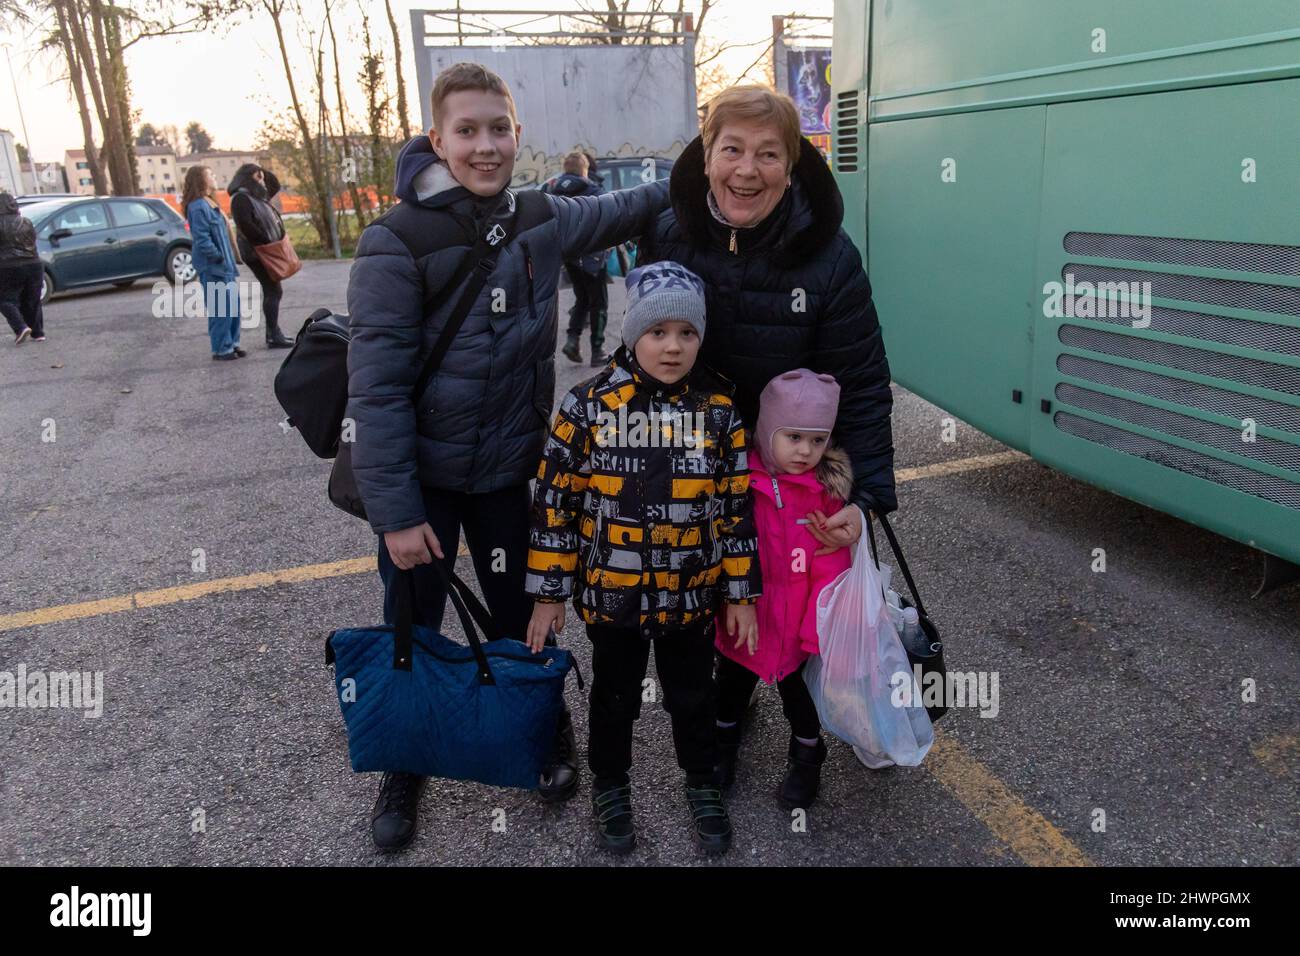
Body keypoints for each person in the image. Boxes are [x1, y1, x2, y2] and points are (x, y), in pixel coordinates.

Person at [346, 61, 670, 852]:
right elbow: (377, 390)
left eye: (498, 129)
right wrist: (395, 515)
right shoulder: (394, 240)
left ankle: (537, 722)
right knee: (413, 618)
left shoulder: (540, 217)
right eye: (467, 131)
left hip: (502, 474)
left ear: (518, 137)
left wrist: (714, 164)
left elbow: (632, 207)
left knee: (523, 610)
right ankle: (404, 758)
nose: (484, 146)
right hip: (423, 485)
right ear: (437, 139)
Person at [524, 261, 761, 856]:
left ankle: (702, 781)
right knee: (614, 695)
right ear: (633, 334)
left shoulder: (718, 411)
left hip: (690, 594)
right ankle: (611, 783)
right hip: (612, 592)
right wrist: (550, 593)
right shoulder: (587, 407)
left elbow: (734, 510)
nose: (673, 346)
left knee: (692, 695)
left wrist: (741, 595)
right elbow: (556, 504)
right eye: (658, 332)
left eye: (687, 333)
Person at [638, 84, 896, 553]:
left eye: (769, 154)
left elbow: (860, 383)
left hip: (791, 491)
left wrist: (864, 500)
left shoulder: (830, 258)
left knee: (787, 620)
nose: (747, 170)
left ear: (791, 167)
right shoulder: (666, 237)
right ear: (707, 157)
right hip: (686, 481)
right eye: (732, 149)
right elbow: (637, 364)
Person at [714, 369, 854, 808]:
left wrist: (816, 628)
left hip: (796, 627)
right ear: (766, 430)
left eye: (816, 440)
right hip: (744, 617)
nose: (805, 451)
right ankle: (722, 744)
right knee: (730, 686)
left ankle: (808, 755)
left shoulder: (822, 496)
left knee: (800, 698)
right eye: (792, 436)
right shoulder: (741, 484)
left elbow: (830, 564)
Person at [542, 152, 610, 366]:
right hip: (593, 257)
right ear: (584, 170)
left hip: (570, 257)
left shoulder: (552, 191)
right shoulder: (594, 190)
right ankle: (597, 351)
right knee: (598, 303)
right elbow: (605, 220)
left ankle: (572, 341)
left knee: (581, 299)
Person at [228, 163, 293, 348]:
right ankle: (273, 335)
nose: (262, 180)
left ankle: (273, 334)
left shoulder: (256, 196)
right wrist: (267, 241)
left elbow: (275, 185)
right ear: (247, 177)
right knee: (273, 290)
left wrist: (261, 170)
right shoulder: (240, 198)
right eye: (258, 177)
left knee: (273, 290)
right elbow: (247, 226)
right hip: (256, 252)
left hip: (261, 250)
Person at [182, 165, 243, 361]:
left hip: (225, 266)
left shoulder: (209, 202)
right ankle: (221, 348)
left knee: (233, 305)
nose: (214, 177)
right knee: (220, 309)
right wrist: (217, 256)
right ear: (200, 180)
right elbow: (201, 238)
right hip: (213, 267)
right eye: (210, 175)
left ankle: (232, 343)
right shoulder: (198, 206)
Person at [0, 191, 45, 344]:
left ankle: (20, 327)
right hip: (33, 263)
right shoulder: (26, 221)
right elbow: (33, 240)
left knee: (6, 300)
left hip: (8, 266)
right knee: (32, 299)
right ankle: (38, 332)